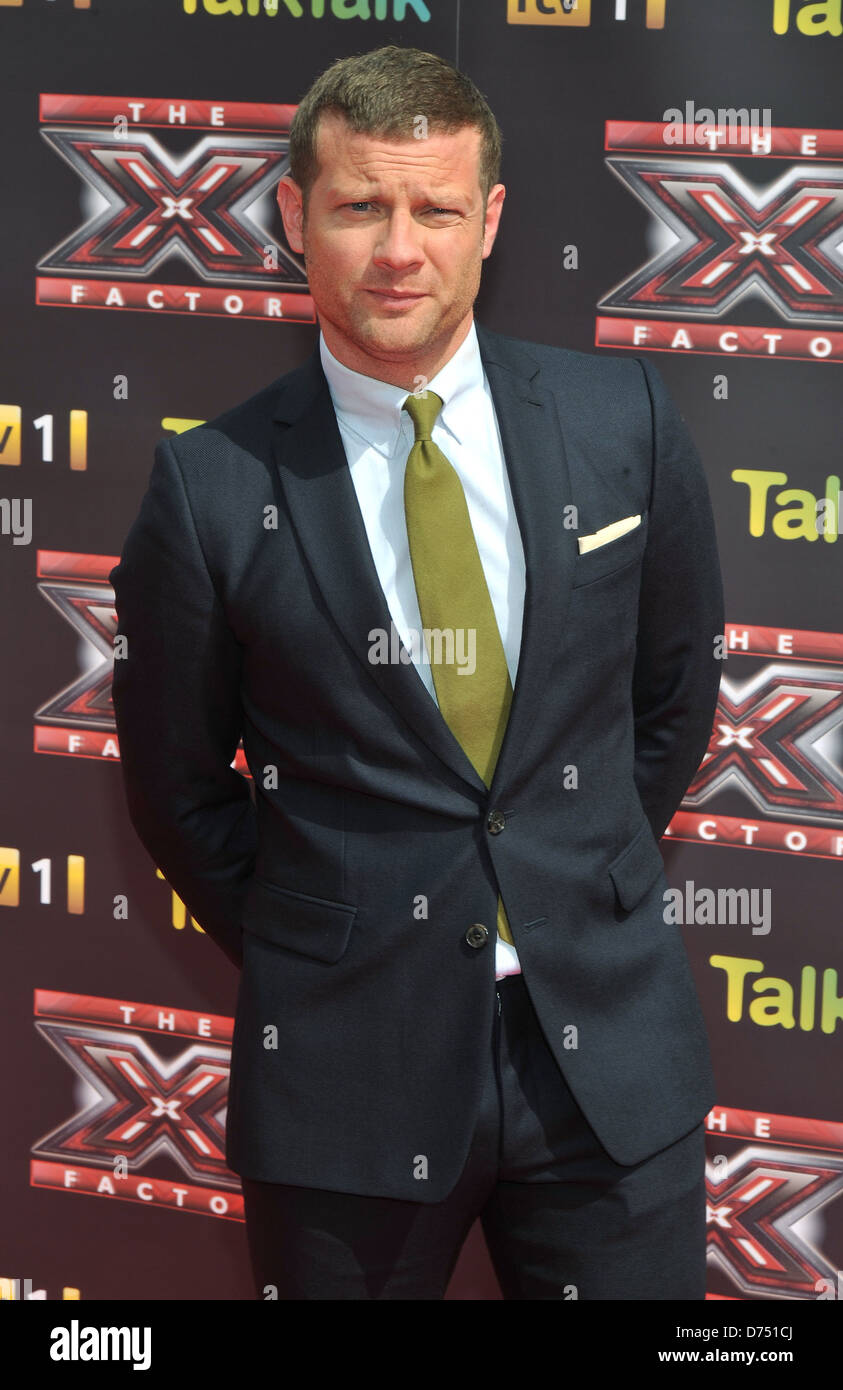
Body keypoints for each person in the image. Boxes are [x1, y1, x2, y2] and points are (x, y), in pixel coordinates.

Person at [109, 45, 724, 1300]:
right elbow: (176, 787)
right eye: (359, 207)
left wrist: (572, 876)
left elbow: (671, 699)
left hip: (605, 1073)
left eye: (437, 208)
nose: (401, 249)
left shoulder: (627, 426)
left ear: (490, 221)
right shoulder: (215, 488)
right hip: (344, 1077)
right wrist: (324, 939)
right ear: (294, 217)